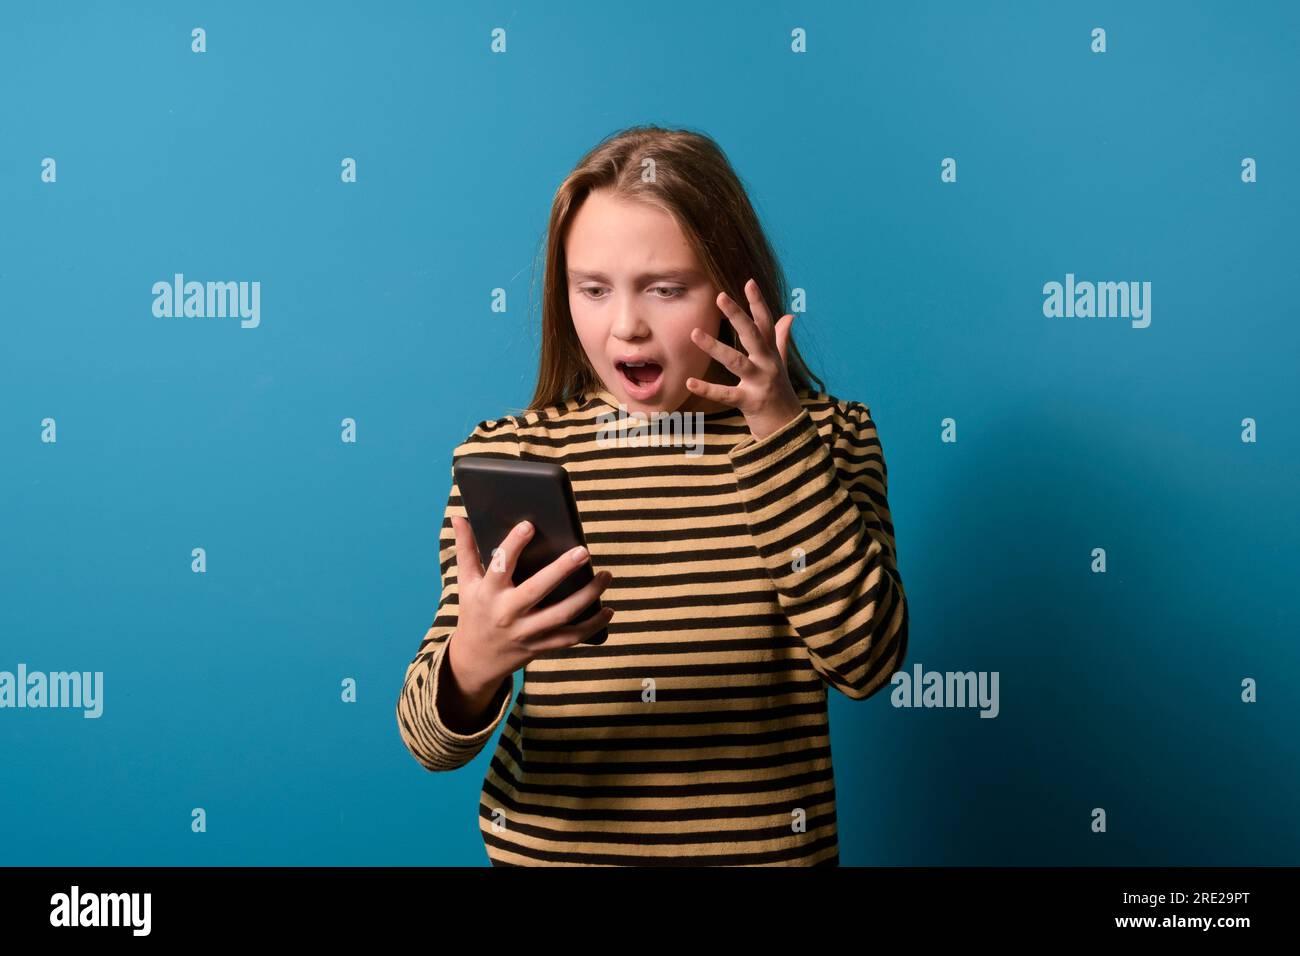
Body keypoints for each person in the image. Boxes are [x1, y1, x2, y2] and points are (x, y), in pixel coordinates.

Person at [395, 124, 908, 866]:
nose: (626, 325)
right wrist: (477, 655)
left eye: (666, 290)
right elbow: (425, 740)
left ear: (737, 286)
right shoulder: (511, 457)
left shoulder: (826, 438)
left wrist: (776, 429)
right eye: (593, 290)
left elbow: (867, 660)